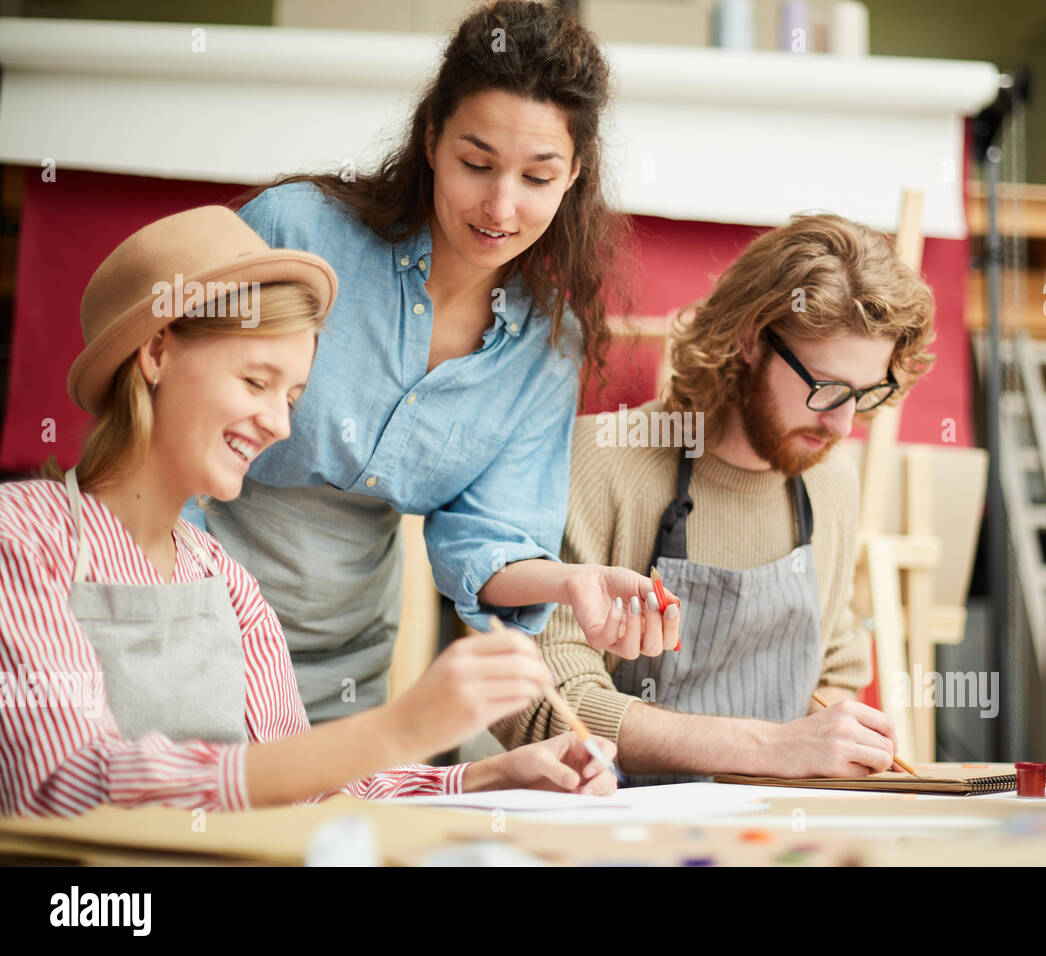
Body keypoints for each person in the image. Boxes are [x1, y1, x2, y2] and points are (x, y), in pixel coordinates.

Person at [0, 207, 615, 818]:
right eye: (254, 381)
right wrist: (400, 726)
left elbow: (305, 777)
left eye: (292, 397)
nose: (279, 424)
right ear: (157, 352)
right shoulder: (23, 537)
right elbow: (63, 783)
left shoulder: (226, 581)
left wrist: (494, 776)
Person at [187, 0, 677, 724]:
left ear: (574, 174)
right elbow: (170, 420)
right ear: (430, 140)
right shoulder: (295, 235)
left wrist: (572, 581)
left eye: (537, 178)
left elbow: (488, 540)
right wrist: (176, 603)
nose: (500, 205)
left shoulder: (547, 347)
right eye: (476, 163)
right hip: (182, 604)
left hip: (339, 660)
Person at [493, 214, 936, 784]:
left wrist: (837, 735)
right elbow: (536, 698)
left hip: (775, 825)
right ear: (750, 339)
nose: (844, 423)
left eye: (865, 392)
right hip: (619, 825)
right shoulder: (604, 459)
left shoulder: (831, 482)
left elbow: (836, 661)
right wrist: (763, 747)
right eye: (825, 388)